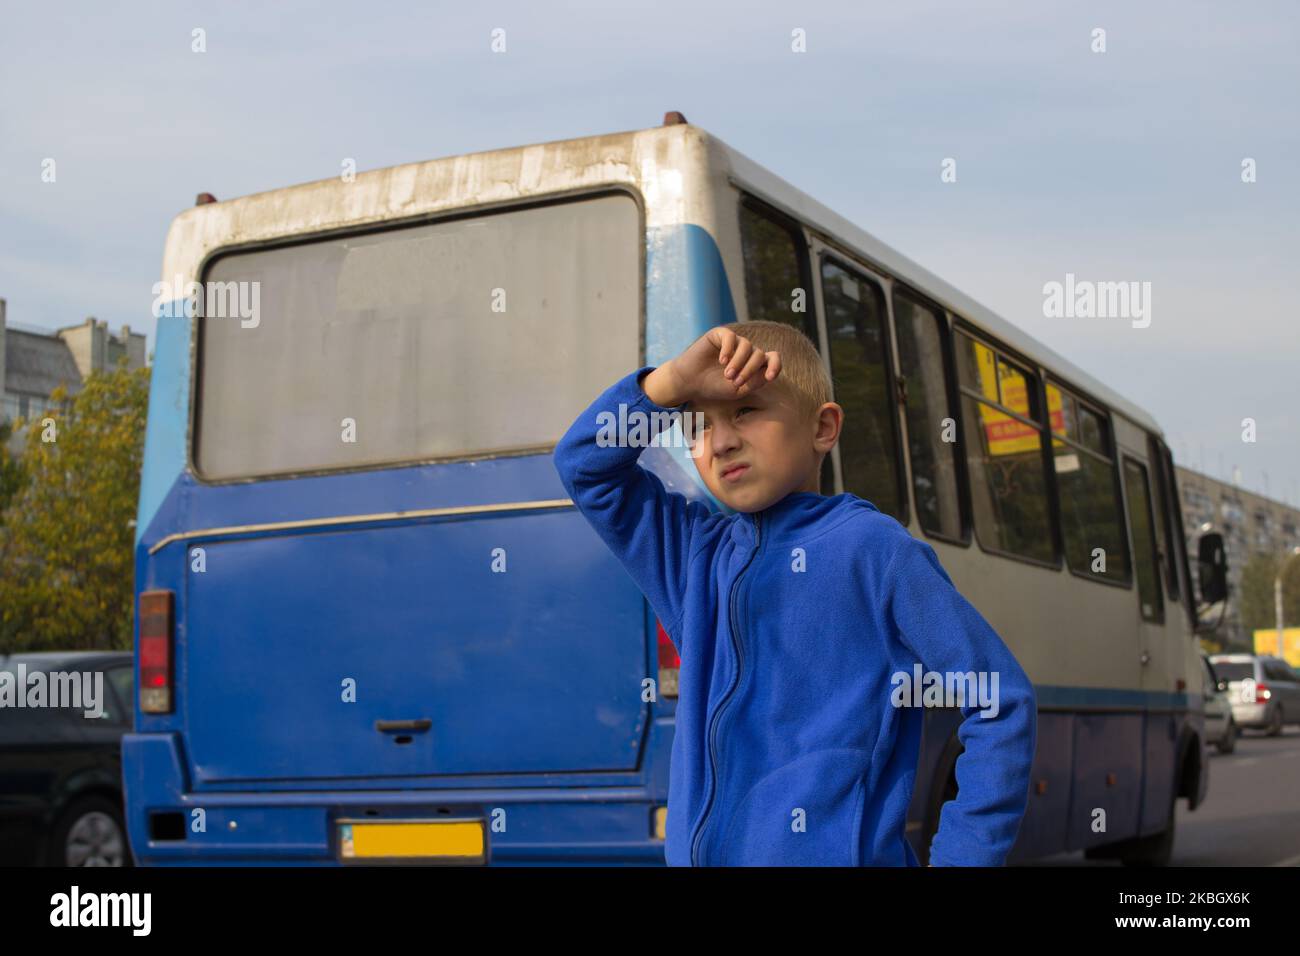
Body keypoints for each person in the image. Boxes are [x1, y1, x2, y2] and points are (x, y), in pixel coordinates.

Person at [552, 320, 1036, 865]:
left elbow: (999, 703)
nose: (721, 440)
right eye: (698, 425)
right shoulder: (692, 559)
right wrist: (666, 385)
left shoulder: (874, 551)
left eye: (746, 410)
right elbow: (584, 466)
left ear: (823, 428)